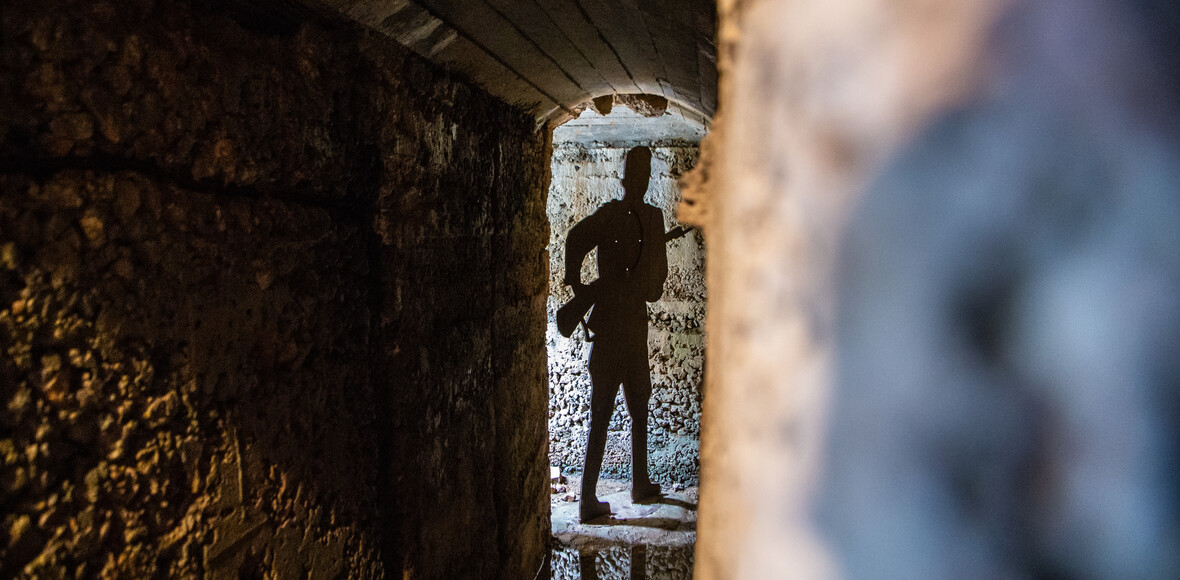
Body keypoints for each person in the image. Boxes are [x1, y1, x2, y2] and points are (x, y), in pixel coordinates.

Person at [561, 145, 675, 523]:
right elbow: (654, 290)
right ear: (635, 179)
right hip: (621, 326)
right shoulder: (639, 217)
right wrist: (583, 291)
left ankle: (624, 485)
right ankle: (604, 493)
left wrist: (581, 287)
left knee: (624, 406)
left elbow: (576, 242)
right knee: (617, 408)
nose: (638, 182)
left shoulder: (621, 216)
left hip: (619, 326)